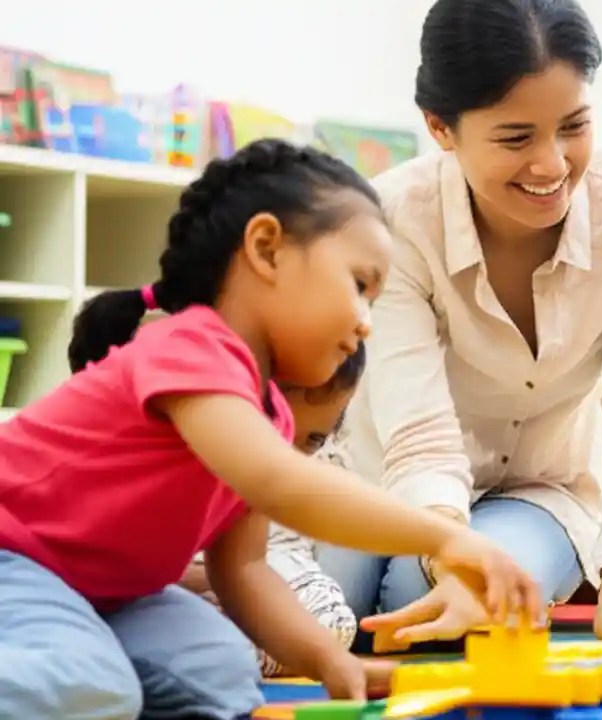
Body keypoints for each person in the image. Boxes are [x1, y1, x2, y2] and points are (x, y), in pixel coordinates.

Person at [0, 138, 540, 720]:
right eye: (359, 286)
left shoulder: (269, 413)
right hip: (15, 558)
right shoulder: (191, 346)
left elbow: (245, 570)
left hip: (108, 593)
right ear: (266, 249)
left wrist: (331, 662)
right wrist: (444, 536)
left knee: (223, 673)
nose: (365, 325)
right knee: (90, 688)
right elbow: (282, 484)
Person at [320, 0, 602, 650]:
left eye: (574, 126)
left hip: (548, 489)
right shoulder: (388, 220)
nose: (551, 165)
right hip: (388, 482)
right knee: (329, 614)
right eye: (516, 138)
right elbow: (418, 436)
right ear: (440, 128)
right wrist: (449, 551)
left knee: (440, 609)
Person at [181, 342, 367, 677]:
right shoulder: (202, 427)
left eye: (312, 440)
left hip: (267, 563)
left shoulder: (279, 482)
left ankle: (233, 650)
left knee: (335, 620)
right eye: (275, 429)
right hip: (174, 574)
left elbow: (249, 566)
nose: (286, 455)